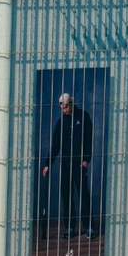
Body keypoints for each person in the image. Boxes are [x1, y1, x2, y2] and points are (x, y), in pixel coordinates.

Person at [42, 92, 96, 240]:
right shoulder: (61, 122)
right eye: (61, 107)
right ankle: (70, 227)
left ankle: (89, 226)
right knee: (67, 196)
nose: (63, 109)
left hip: (79, 163)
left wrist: (86, 159)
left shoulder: (83, 117)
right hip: (65, 164)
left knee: (83, 196)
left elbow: (89, 139)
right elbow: (55, 145)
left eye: (65, 106)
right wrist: (47, 164)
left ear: (71, 103)